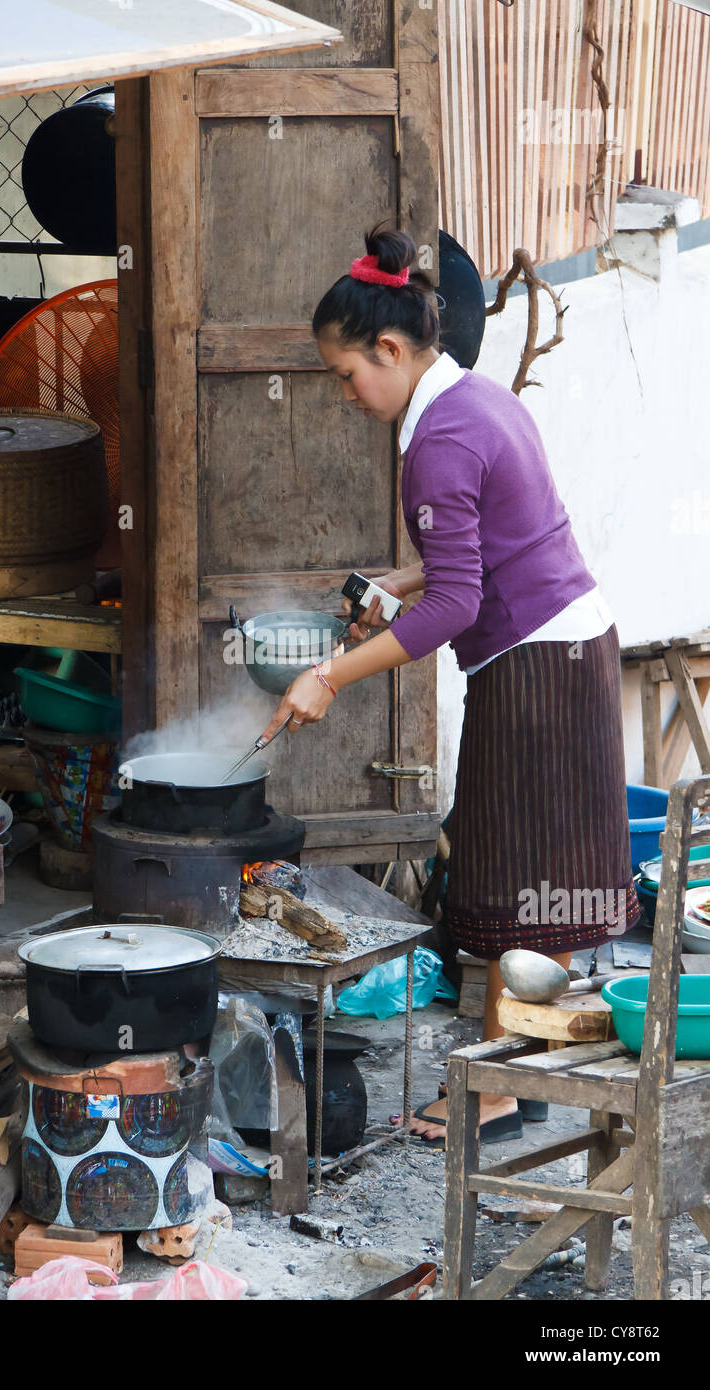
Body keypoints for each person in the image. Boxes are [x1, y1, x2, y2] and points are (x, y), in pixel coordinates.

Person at [259, 222, 641, 1145]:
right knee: (527, 875)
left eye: (349, 375)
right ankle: (523, 1071)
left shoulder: (434, 441)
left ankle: (506, 1090)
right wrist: (404, 577)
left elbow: (462, 607)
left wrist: (328, 675)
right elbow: (496, 544)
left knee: (514, 879)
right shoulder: (475, 399)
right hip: (569, 645)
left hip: (533, 664)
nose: (350, 394)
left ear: (389, 349)